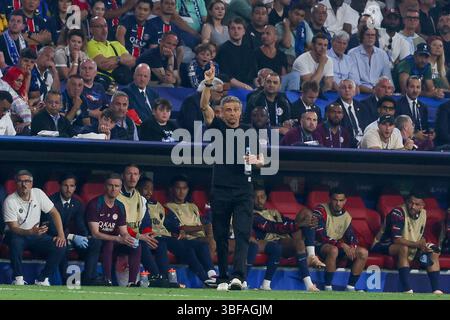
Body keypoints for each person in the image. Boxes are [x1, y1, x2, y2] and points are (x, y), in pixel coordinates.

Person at [200, 62, 265, 290]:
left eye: (236, 110)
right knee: (219, 235)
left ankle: (239, 276)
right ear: (222, 112)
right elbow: (204, 105)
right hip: (220, 188)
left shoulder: (250, 131)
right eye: (228, 110)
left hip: (243, 190)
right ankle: (223, 276)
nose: (232, 113)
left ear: (241, 112)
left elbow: (263, 159)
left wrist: (254, 160)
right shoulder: (217, 127)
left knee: (242, 233)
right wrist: (208, 82)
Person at [247, 187, 320, 291]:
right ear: (251, 199)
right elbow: (271, 227)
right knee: (298, 242)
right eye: (256, 197)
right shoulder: (252, 214)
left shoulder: (274, 212)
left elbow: (286, 222)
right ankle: (309, 283)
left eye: (262, 197)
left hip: (285, 240)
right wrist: (298, 224)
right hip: (270, 243)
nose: (259, 200)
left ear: (266, 197)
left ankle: (311, 257)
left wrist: (307, 222)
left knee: (307, 213)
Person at [371, 191, 443, 294]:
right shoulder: (398, 212)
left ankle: (436, 290)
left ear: (422, 206)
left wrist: (423, 244)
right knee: (402, 248)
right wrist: (418, 245)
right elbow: (397, 239)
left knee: (434, 251)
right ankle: (407, 290)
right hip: (383, 244)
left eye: (417, 204)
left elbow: (421, 235)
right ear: (406, 202)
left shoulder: (423, 214)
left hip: (411, 245)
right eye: (410, 202)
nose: (412, 206)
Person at [2, 169, 66, 286]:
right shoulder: (10, 201)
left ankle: (43, 279)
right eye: (20, 181)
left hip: (36, 235)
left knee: (60, 245)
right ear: (16, 184)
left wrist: (61, 235)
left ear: (31, 184)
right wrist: (30, 231)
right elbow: (13, 227)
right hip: (17, 234)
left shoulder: (38, 193)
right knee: (15, 241)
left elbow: (55, 213)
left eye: (27, 181)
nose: (24, 184)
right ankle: (18, 278)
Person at [84, 173, 139, 286]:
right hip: (96, 242)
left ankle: (132, 283)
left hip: (114, 241)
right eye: (111, 185)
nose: (114, 189)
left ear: (120, 188)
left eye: (117, 186)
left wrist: (129, 238)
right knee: (109, 242)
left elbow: (123, 232)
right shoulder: (95, 204)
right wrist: (117, 239)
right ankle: (107, 280)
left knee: (136, 246)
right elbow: (95, 233)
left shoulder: (120, 206)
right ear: (105, 187)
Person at [164, 175, 218, 287]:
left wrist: (210, 236)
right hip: (184, 240)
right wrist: (200, 228)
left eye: (184, 188)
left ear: (188, 190)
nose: (181, 191)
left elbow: (205, 223)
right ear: (172, 189)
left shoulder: (193, 206)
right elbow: (180, 228)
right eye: (178, 188)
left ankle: (212, 275)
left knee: (206, 243)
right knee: (200, 246)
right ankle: (207, 277)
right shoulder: (167, 207)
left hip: (199, 239)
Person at [313, 187, 368, 291]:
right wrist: (341, 244)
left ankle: (350, 288)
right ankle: (328, 287)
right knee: (333, 250)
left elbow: (352, 235)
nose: (338, 203)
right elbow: (321, 236)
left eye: (341, 200)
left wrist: (353, 246)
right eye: (335, 200)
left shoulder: (346, 215)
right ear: (330, 199)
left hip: (336, 246)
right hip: (318, 245)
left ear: (345, 201)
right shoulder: (320, 210)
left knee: (363, 252)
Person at [44, 174, 90, 285]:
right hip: (52, 237)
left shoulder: (78, 203)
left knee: (95, 243)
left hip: (71, 238)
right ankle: (67, 280)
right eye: (65, 185)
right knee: (61, 243)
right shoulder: (50, 202)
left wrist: (85, 237)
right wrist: (70, 237)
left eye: (71, 186)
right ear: (59, 186)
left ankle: (89, 277)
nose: (68, 189)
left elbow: (80, 226)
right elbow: (51, 228)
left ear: (75, 187)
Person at [117, 165, 158, 287]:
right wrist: (141, 236)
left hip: (135, 237)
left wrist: (149, 235)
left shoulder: (141, 199)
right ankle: (152, 276)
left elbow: (145, 223)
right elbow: (119, 225)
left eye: (135, 174)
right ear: (123, 176)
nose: (132, 177)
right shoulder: (116, 196)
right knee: (140, 244)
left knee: (158, 243)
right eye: (129, 174)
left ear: (139, 177)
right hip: (118, 237)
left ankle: (161, 277)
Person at [87, 16, 136, 85]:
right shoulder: (90, 45)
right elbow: (103, 64)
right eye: (99, 27)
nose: (104, 30)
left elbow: (132, 61)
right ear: (91, 30)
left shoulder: (116, 44)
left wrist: (116, 60)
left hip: (122, 82)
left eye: (105, 26)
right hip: (104, 84)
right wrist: (121, 60)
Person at [216, 17, 257, 90]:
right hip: (231, 88)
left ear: (244, 31)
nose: (236, 31)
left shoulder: (248, 49)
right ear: (228, 31)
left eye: (239, 28)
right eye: (233, 28)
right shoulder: (223, 49)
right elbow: (226, 76)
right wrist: (245, 86)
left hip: (249, 85)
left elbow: (254, 73)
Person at [348, 26, 392, 93]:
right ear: (362, 37)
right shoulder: (352, 54)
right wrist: (372, 92)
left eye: (373, 35)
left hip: (380, 91)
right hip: (360, 92)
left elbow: (387, 78)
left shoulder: (382, 54)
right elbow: (354, 82)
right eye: (367, 35)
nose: (370, 37)